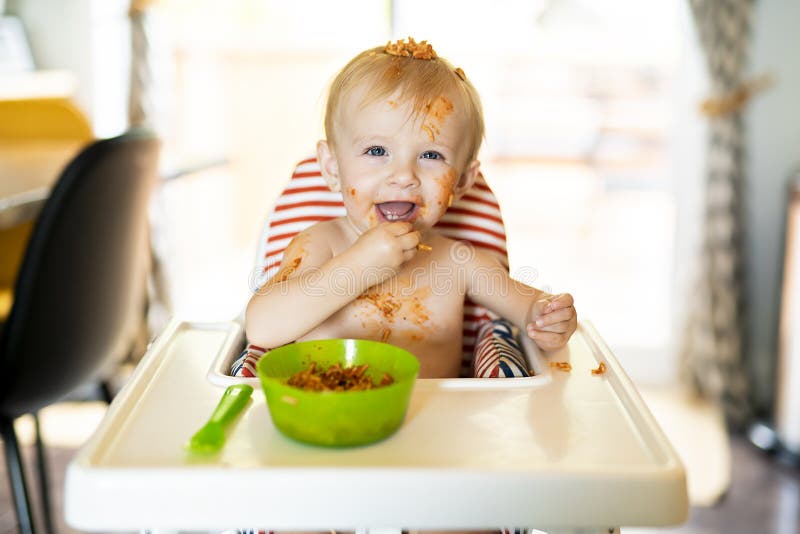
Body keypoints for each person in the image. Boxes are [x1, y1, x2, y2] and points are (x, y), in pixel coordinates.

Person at [245, 38, 577, 378]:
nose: (404, 176)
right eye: (376, 151)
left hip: (436, 425)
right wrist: (361, 265)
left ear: (462, 181)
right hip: (326, 421)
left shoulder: (460, 261)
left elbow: (529, 309)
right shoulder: (319, 245)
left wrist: (547, 318)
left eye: (431, 155)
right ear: (331, 168)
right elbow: (261, 327)